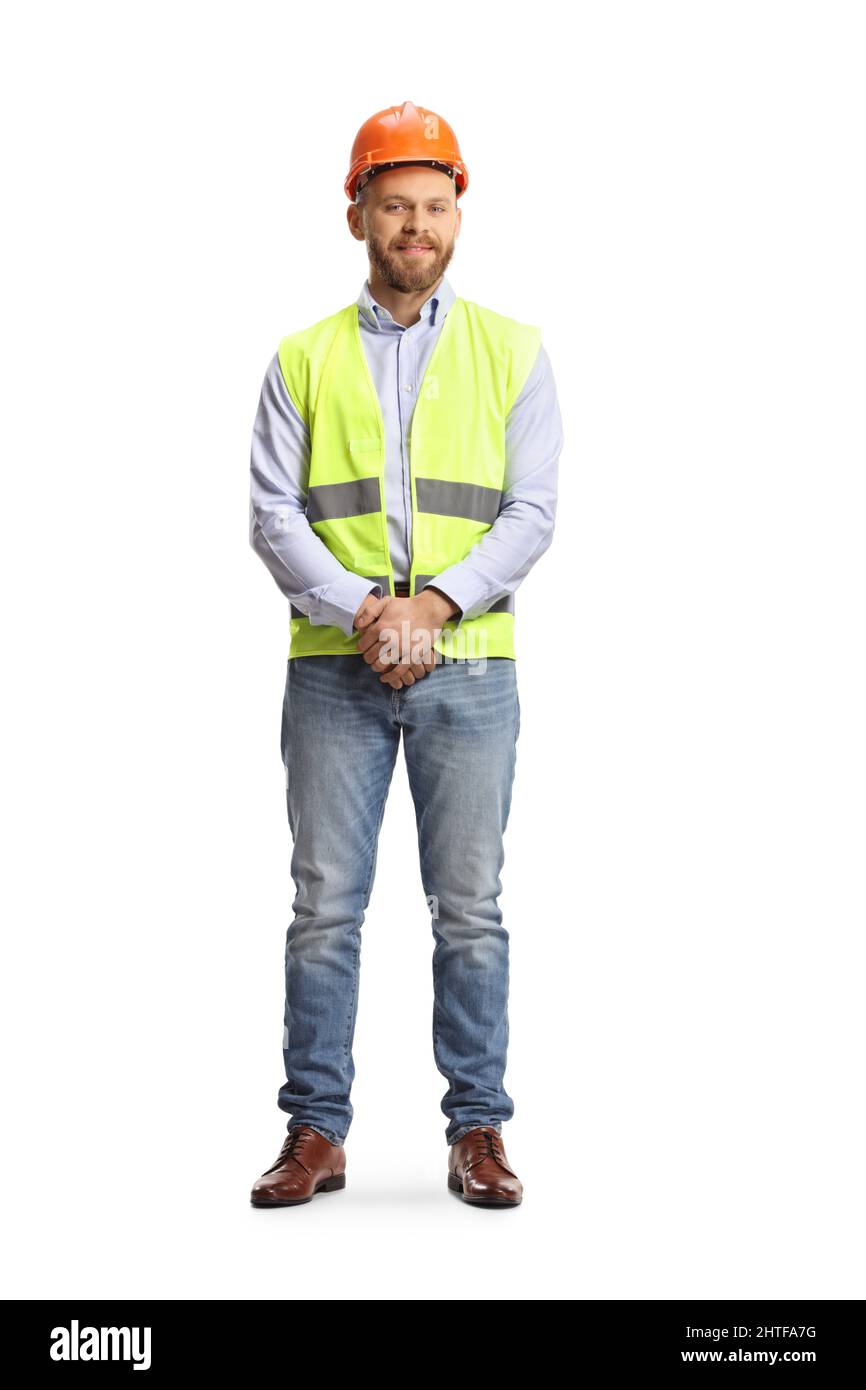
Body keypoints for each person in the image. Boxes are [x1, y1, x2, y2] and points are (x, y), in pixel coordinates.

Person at [247, 101, 563, 1208]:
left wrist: (427, 605)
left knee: (467, 905)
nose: (414, 225)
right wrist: (365, 615)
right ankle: (314, 1131)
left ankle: (477, 1129)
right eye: (394, 206)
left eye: (433, 207)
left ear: (455, 218)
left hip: (470, 666)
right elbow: (273, 517)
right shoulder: (302, 357)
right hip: (331, 670)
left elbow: (529, 512)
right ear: (357, 217)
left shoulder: (512, 351)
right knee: (325, 906)